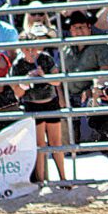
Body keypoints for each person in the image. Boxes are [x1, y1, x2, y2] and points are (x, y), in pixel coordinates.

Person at [11, 31, 65, 182]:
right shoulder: (18, 65)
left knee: (56, 143)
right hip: (32, 106)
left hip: (50, 102)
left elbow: (57, 81)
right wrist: (27, 81)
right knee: (40, 145)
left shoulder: (45, 58)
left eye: (33, 48)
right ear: (21, 49)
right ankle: (41, 180)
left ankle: (64, 178)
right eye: (27, 49)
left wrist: (44, 76)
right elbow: (18, 92)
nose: (31, 52)